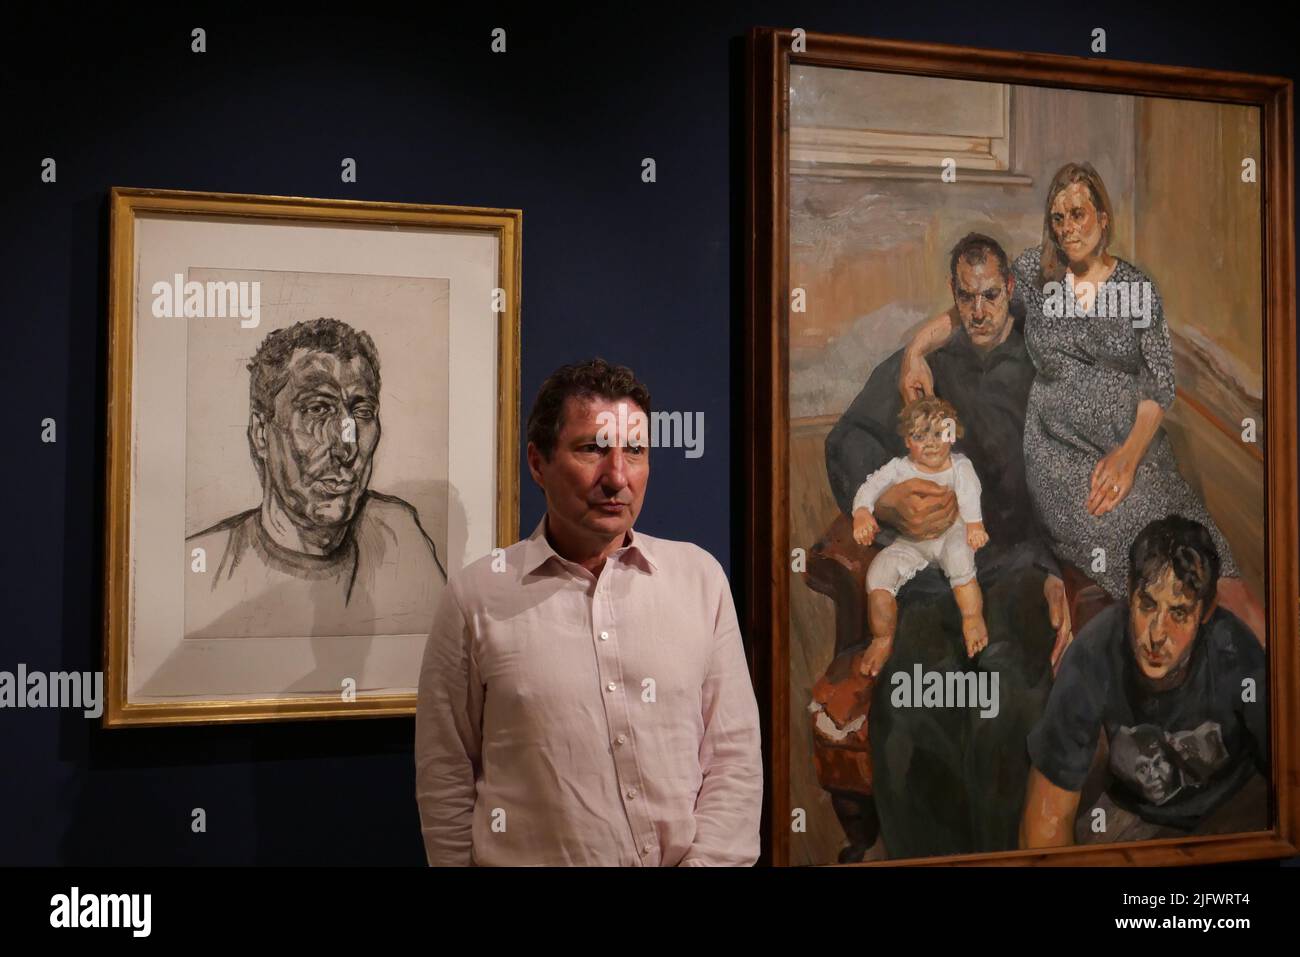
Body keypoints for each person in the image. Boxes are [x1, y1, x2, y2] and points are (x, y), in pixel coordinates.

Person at [415, 358, 762, 866]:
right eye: (592, 450)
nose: (616, 477)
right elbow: (445, 776)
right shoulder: (475, 598)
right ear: (538, 463)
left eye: (635, 451)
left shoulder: (699, 580)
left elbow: (733, 759)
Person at [899, 162, 1263, 640]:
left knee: (1212, 560)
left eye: (1078, 214)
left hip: (1134, 451)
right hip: (1059, 455)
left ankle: (1268, 678)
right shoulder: (1035, 274)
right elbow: (972, 304)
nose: (1067, 229)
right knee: (1148, 553)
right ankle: (1176, 662)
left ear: (1103, 217)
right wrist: (914, 351)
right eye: (1057, 218)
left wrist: (1129, 459)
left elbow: (1158, 385)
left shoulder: (1136, 289)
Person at [823, 233, 1070, 860]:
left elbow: (1071, 477)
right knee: (913, 701)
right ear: (953, 301)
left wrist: (1055, 570)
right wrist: (882, 505)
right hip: (929, 572)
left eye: (991, 295)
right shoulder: (924, 367)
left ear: (1011, 290)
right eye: (967, 299)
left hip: (1014, 566)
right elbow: (847, 439)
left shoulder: (1041, 360)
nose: (980, 311)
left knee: (1008, 700)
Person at [185, 317, 446, 639]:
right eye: (318, 410)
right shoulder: (201, 570)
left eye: (362, 412)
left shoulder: (398, 534)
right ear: (261, 433)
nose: (346, 446)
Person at [1021, 516, 1268, 847]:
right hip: (1138, 816)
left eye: (1178, 613)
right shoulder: (1093, 653)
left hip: (1235, 805)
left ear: (1206, 613)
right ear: (1129, 593)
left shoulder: (1237, 653)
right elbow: (1046, 819)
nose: (1156, 634)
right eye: (1147, 605)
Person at [851, 397, 989, 677]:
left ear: (952, 434)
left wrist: (974, 525)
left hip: (952, 533)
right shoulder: (899, 468)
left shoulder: (959, 466)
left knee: (961, 560)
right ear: (906, 440)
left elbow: (970, 493)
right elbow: (871, 486)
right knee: (879, 575)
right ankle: (882, 638)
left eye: (939, 434)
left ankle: (973, 618)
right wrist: (862, 512)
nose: (931, 443)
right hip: (912, 542)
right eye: (919, 436)